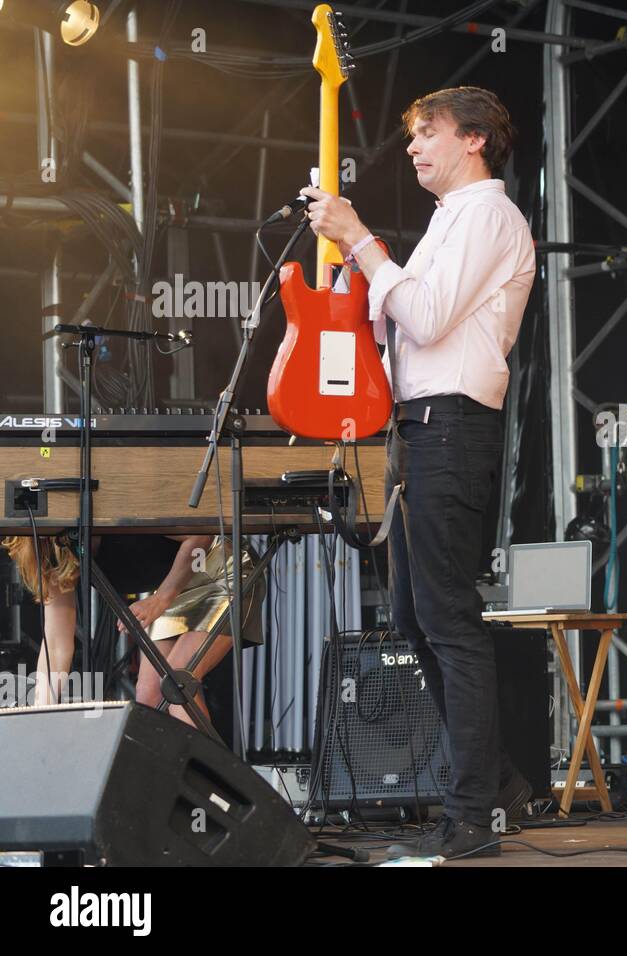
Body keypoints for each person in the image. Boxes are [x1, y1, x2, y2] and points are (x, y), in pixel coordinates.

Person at [291, 85, 536, 859]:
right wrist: (353, 277)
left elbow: (426, 317)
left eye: (426, 133)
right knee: (411, 619)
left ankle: (472, 820)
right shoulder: (447, 223)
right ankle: (494, 785)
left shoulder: (489, 215)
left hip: (454, 425)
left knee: (449, 622)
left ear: (473, 140)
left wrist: (362, 238)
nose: (412, 147)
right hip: (417, 428)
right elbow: (398, 317)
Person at [1, 533, 264, 727]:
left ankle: (213, 784)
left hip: (217, 568)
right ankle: (165, 783)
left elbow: (200, 533)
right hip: (172, 589)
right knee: (149, 696)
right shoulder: (48, 552)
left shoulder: (111, 505)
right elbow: (56, 647)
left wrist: (160, 599)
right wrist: (37, 718)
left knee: (178, 684)